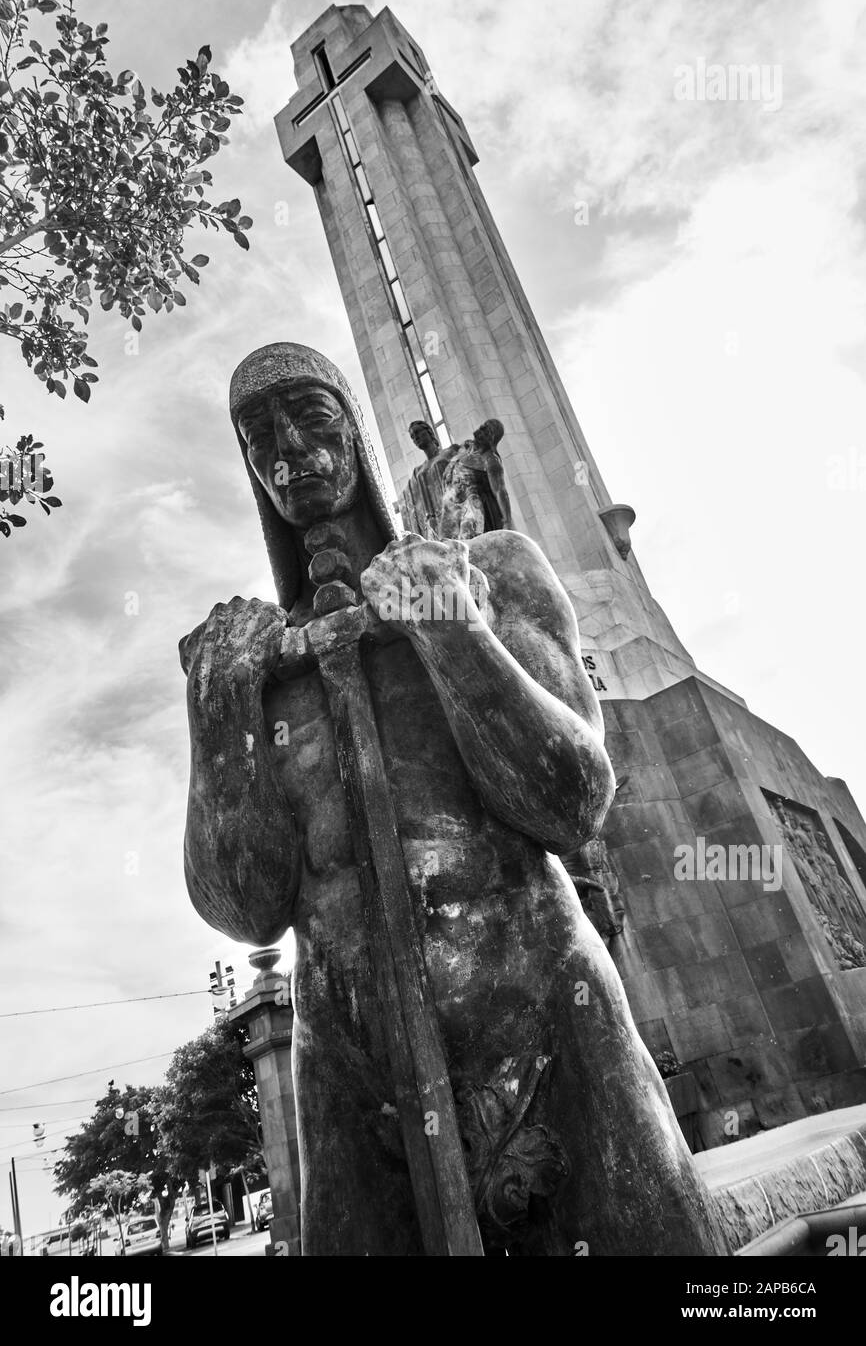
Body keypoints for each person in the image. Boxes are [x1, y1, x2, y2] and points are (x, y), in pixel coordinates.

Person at [180, 342, 726, 1256]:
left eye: (311, 418)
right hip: (358, 1081)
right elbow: (244, 910)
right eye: (259, 438)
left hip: (549, 1017)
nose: (288, 454)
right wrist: (220, 720)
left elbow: (572, 800)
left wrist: (451, 628)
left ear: (354, 428)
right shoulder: (258, 665)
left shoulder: (492, 570)